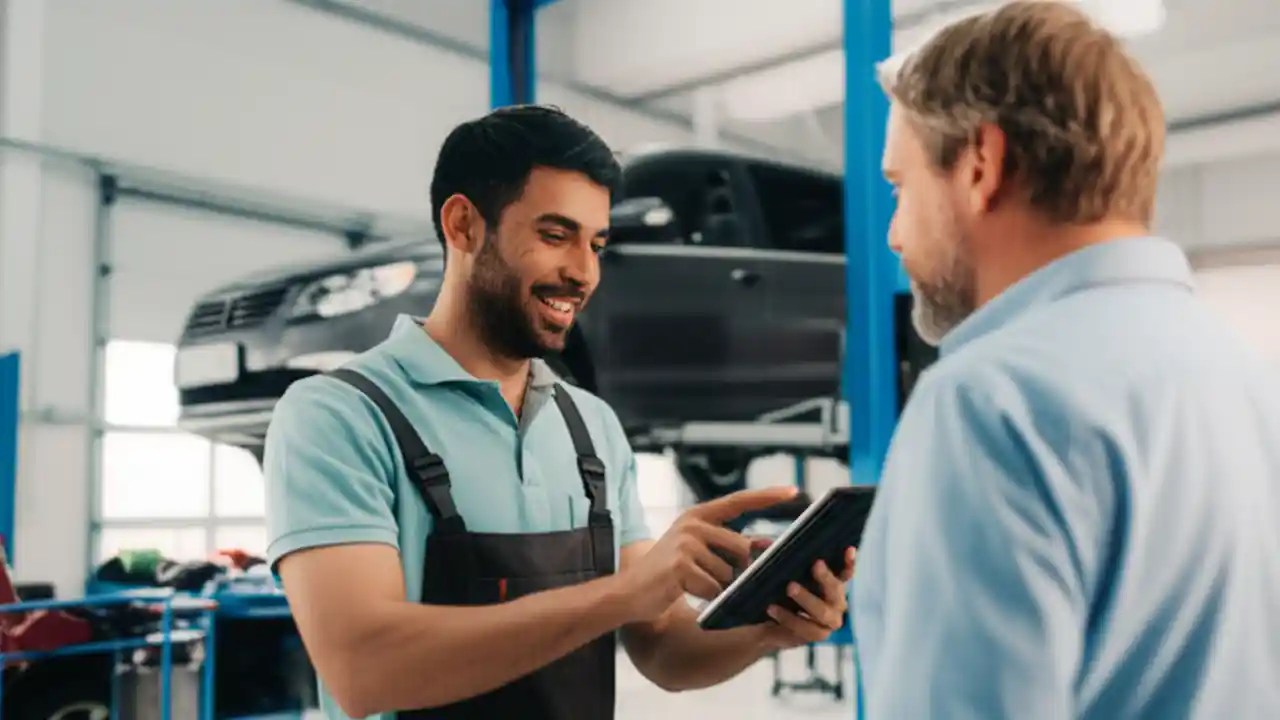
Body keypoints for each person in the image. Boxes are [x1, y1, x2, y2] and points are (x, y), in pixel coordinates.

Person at [263, 104, 855, 720]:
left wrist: (768, 627)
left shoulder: (591, 426)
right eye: (555, 235)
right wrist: (626, 592)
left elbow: (662, 652)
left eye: (596, 244)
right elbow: (367, 671)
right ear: (464, 225)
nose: (583, 272)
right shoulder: (340, 416)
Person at [852, 2, 1280, 718]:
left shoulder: (990, 403)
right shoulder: (1249, 380)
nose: (895, 234)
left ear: (982, 165)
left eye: (901, 187)